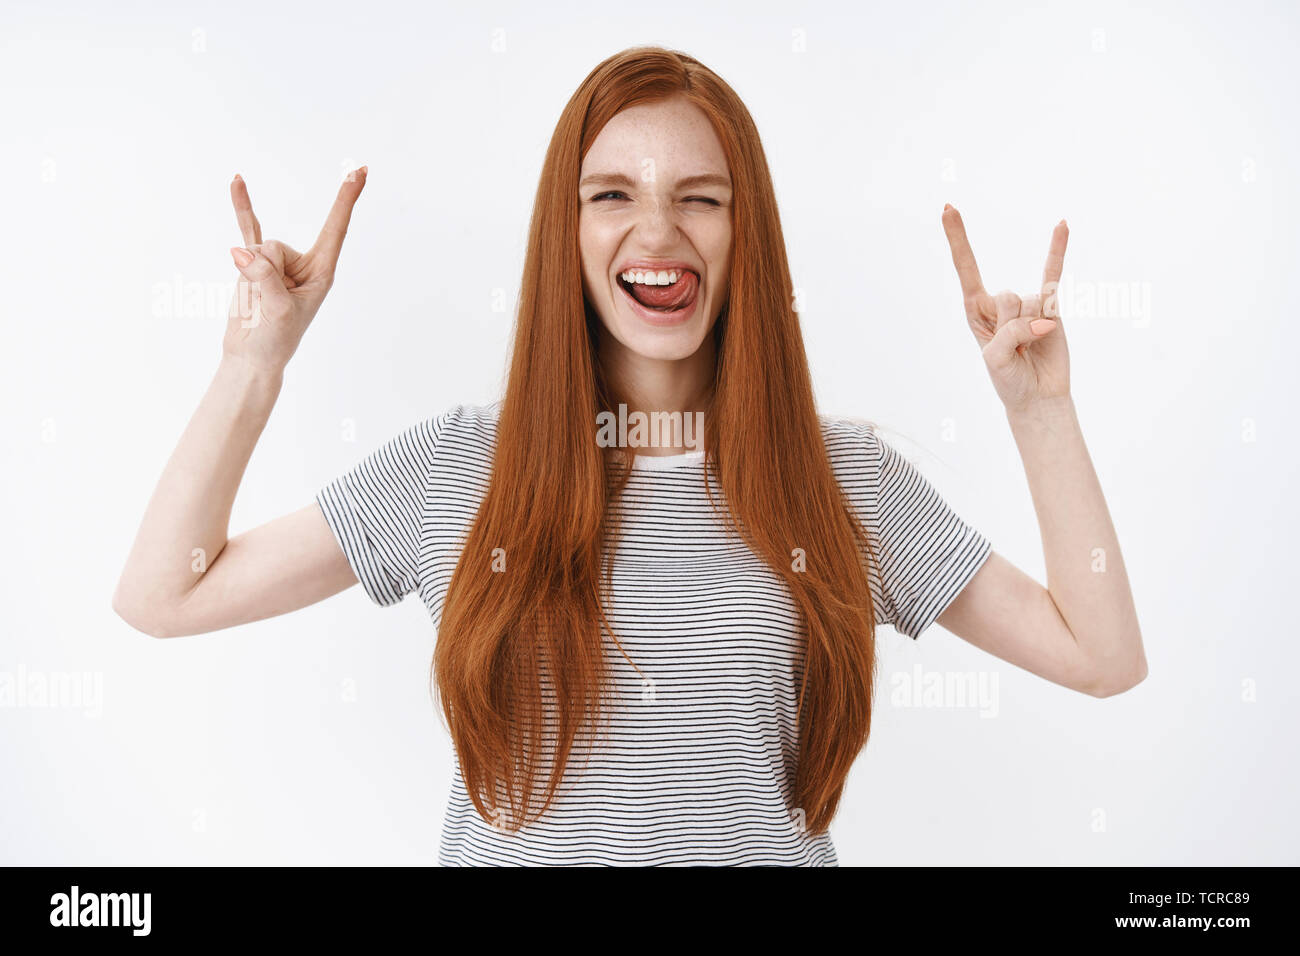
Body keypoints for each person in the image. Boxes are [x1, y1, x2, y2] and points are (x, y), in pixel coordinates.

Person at [113, 46, 1147, 866]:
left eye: (700, 195)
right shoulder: (452, 468)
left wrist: (1038, 409)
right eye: (611, 194)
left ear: (749, 235)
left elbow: (1099, 658)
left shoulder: (844, 483)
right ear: (565, 233)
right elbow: (164, 595)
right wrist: (254, 365)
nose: (657, 227)